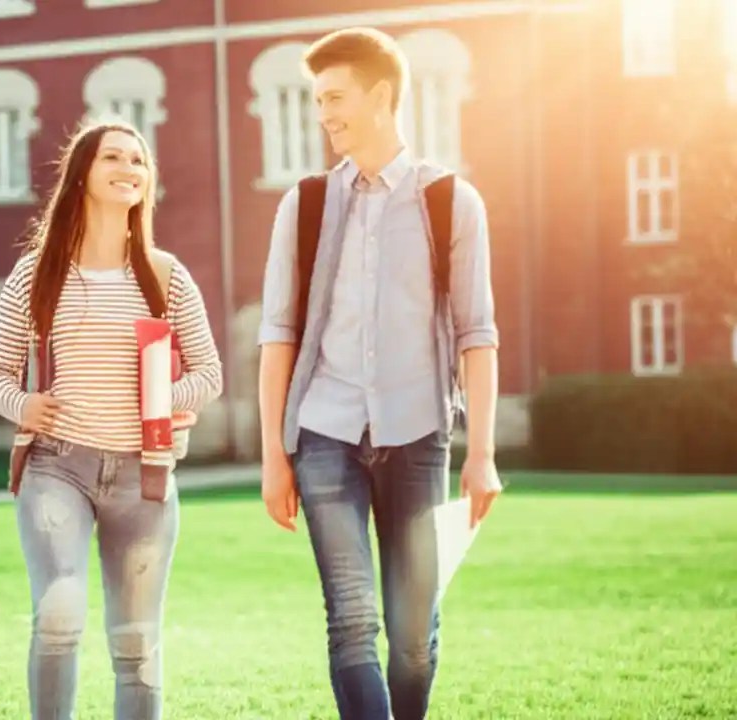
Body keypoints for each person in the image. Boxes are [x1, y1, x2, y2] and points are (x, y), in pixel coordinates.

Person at [255, 27, 502, 720]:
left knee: (413, 638)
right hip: (324, 431)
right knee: (351, 620)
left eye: (334, 97)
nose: (323, 113)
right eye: (319, 99)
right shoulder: (303, 204)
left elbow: (476, 336)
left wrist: (480, 455)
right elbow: (277, 333)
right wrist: (275, 455)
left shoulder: (451, 202)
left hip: (418, 432)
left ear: (382, 95)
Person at [0, 121, 223, 720]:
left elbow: (209, 373)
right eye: (113, 156)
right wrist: (24, 405)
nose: (129, 167)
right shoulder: (38, 273)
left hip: (145, 478)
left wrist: (162, 401)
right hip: (58, 467)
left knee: (137, 642)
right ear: (82, 173)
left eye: (138, 160)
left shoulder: (165, 275)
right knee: (59, 614)